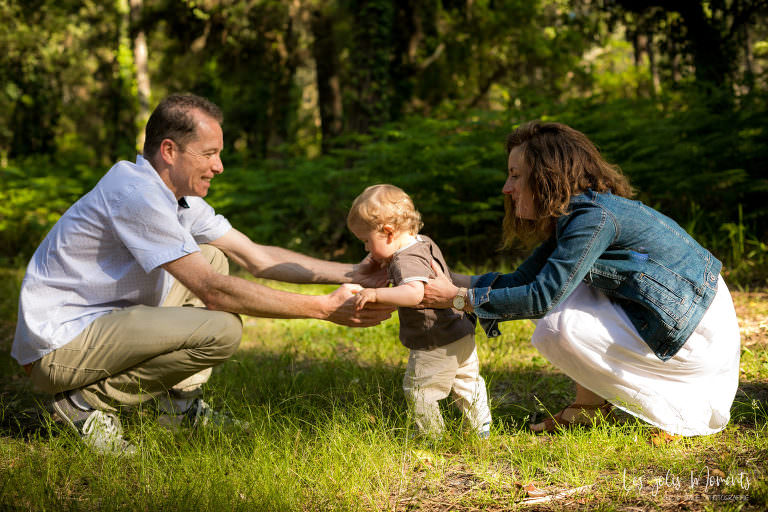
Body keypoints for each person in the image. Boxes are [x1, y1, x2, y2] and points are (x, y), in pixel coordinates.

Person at [12, 93, 390, 455]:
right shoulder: (135, 194)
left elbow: (257, 257)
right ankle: (83, 404)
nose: (219, 166)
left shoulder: (179, 199)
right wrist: (323, 309)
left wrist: (354, 272)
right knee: (222, 329)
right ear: (169, 151)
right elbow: (214, 293)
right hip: (59, 347)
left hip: (100, 326)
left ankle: (178, 410)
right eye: (209, 154)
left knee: (211, 256)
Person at [421, 121, 740, 437]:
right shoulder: (578, 214)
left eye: (516, 175)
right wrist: (436, 277)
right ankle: (589, 408)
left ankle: (597, 408)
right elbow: (522, 279)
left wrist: (458, 299)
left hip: (696, 338)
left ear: (546, 173)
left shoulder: (592, 218)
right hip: (683, 321)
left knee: (555, 320)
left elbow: (539, 297)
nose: (507, 187)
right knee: (560, 293)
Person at [348, 184, 492, 439]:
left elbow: (414, 293)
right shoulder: (423, 242)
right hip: (460, 329)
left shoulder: (405, 260)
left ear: (388, 232)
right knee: (468, 383)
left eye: (366, 242)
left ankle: (431, 437)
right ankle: (481, 428)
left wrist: (376, 294)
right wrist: (375, 258)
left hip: (434, 339)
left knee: (420, 389)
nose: (366, 249)